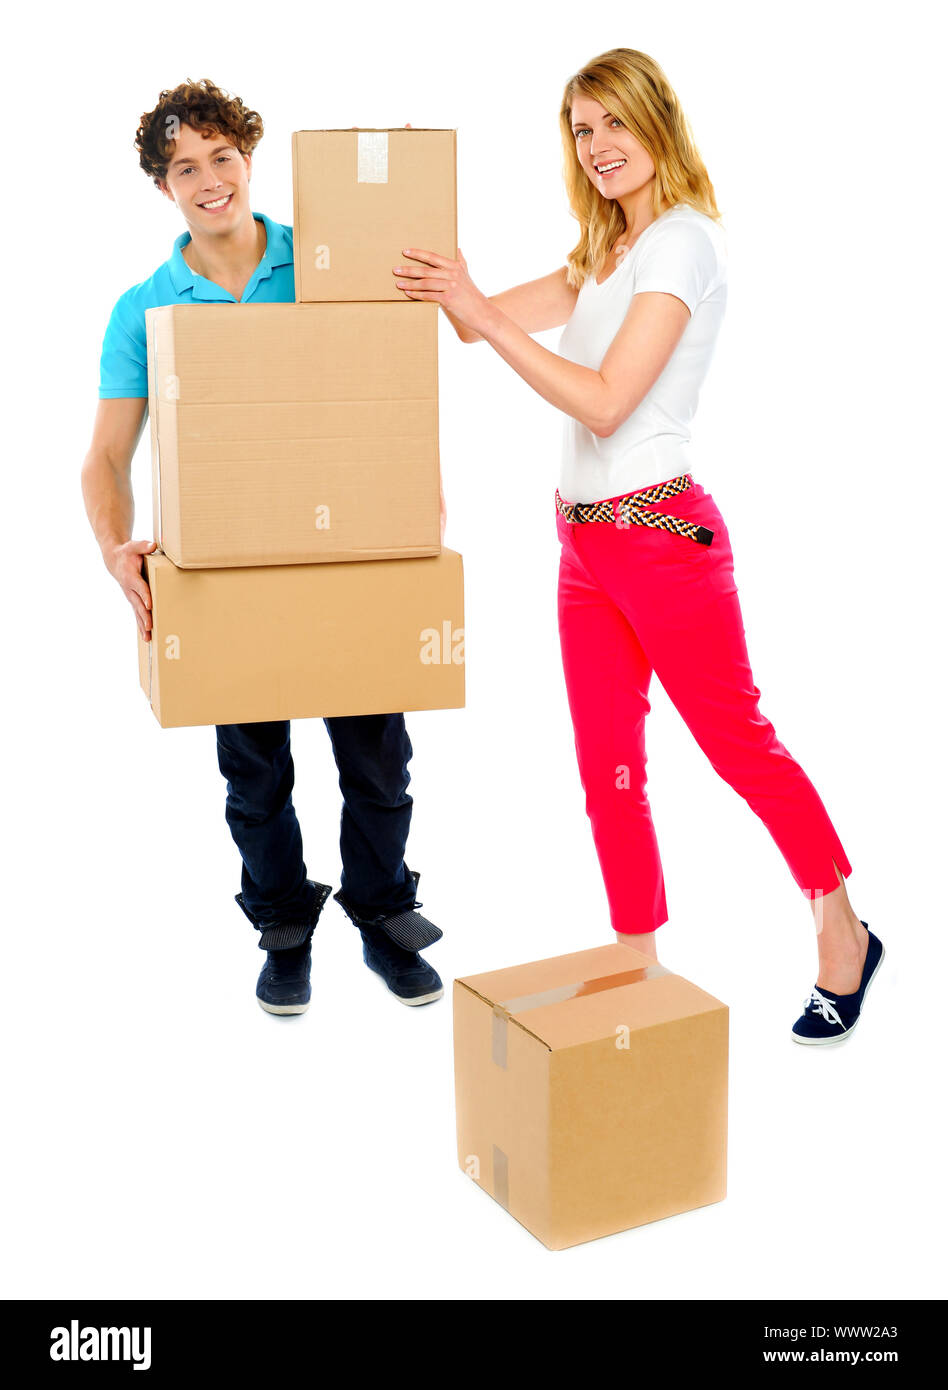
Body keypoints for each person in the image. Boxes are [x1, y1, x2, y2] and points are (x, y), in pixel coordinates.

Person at [389, 47, 884, 1045]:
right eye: (582, 129)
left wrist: (479, 311)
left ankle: (842, 926)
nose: (599, 146)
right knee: (608, 765)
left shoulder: (684, 243)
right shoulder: (608, 247)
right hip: (584, 549)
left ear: (656, 121)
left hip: (662, 540)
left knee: (737, 743)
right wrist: (437, 285)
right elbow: (477, 326)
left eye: (614, 122)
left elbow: (610, 404)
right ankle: (637, 961)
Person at [81, 80, 446, 1016]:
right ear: (164, 188)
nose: (208, 181)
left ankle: (380, 917)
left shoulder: (322, 262)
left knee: (376, 760)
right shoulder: (144, 308)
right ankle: (285, 931)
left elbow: (388, 375)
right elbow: (106, 457)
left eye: (221, 157)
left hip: (345, 553)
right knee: (255, 773)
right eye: (184, 169)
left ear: (249, 155)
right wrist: (115, 547)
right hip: (228, 570)